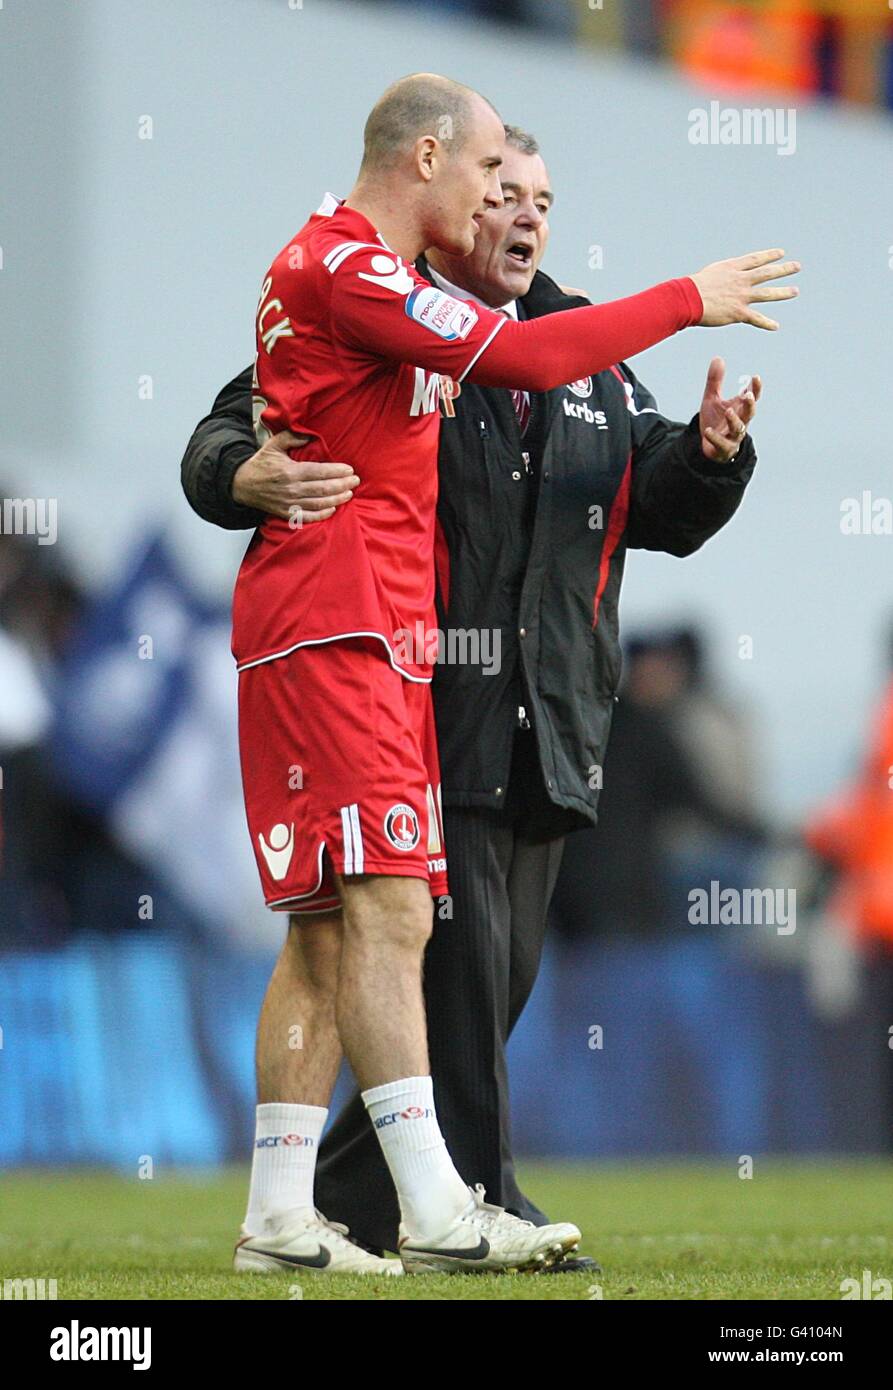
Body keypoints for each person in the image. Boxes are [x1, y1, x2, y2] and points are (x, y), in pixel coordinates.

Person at [183, 72, 798, 1275]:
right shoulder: (382, 289)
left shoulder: (574, 359)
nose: (512, 209)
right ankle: (449, 1203)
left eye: (539, 196)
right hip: (385, 660)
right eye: (492, 182)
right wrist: (233, 472)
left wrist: (713, 455)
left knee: (383, 949)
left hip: (527, 713)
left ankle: (299, 1213)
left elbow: (646, 492)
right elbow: (240, 420)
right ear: (433, 173)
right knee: (412, 934)